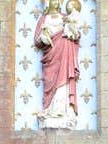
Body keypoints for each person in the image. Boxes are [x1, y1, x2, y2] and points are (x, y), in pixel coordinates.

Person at [35, 0, 83, 130]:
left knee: (64, 80)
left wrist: (73, 32)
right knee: (50, 80)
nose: (55, 2)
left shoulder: (64, 17)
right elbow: (37, 40)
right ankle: (49, 110)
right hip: (50, 55)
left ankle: (64, 111)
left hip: (65, 54)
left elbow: (75, 34)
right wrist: (44, 36)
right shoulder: (44, 18)